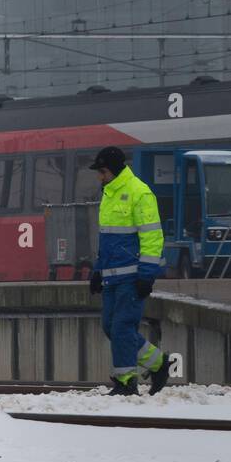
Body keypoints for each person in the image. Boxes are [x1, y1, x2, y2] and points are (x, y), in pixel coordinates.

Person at [87, 146, 169, 396]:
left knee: (122, 327)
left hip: (132, 277)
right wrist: (98, 271)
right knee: (110, 327)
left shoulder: (139, 193)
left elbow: (153, 237)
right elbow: (107, 240)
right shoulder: (109, 194)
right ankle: (158, 363)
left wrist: (146, 275)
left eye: (102, 171)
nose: (99, 176)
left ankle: (126, 383)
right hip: (112, 276)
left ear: (115, 170)